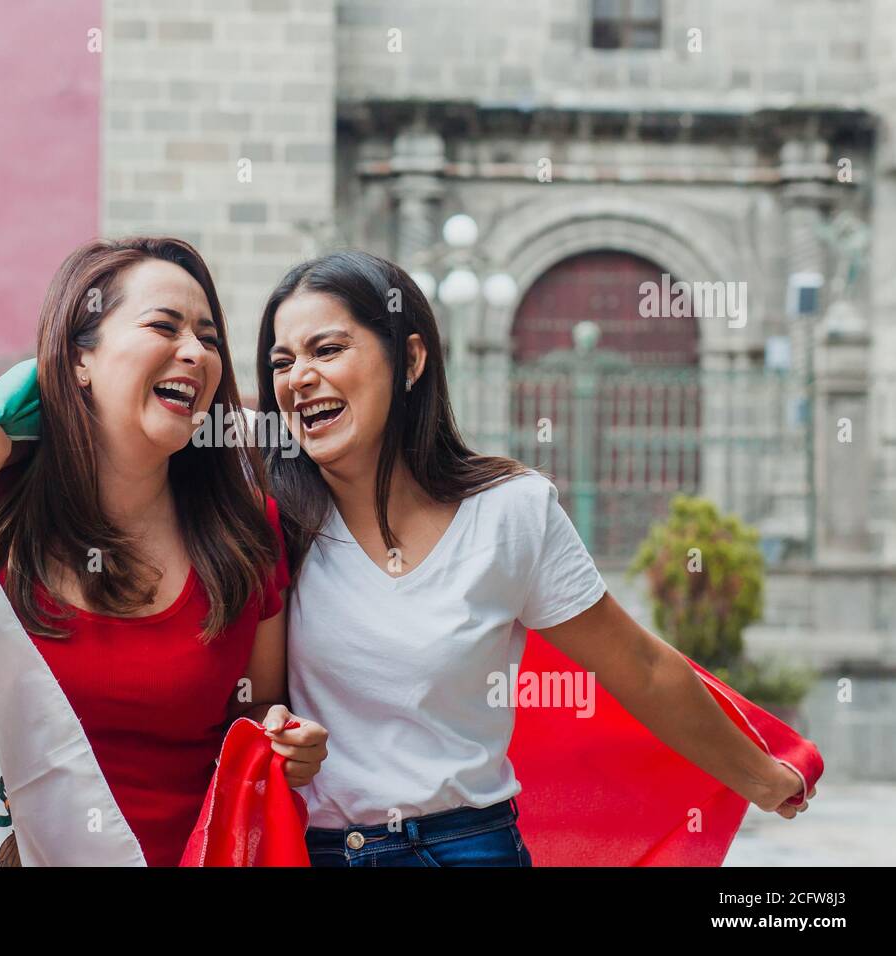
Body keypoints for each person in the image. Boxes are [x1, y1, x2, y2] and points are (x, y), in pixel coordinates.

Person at [254, 250, 816, 867]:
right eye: (283, 362)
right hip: (317, 853)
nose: (297, 378)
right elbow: (249, 702)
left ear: (410, 359)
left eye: (327, 350)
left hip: (469, 851)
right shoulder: (271, 522)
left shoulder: (510, 513)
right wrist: (278, 736)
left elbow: (640, 666)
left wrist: (761, 777)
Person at [0, 237, 328, 866]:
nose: (194, 352)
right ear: (80, 356)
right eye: (164, 326)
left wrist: (285, 743)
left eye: (209, 338)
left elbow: (258, 711)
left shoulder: (246, 530)